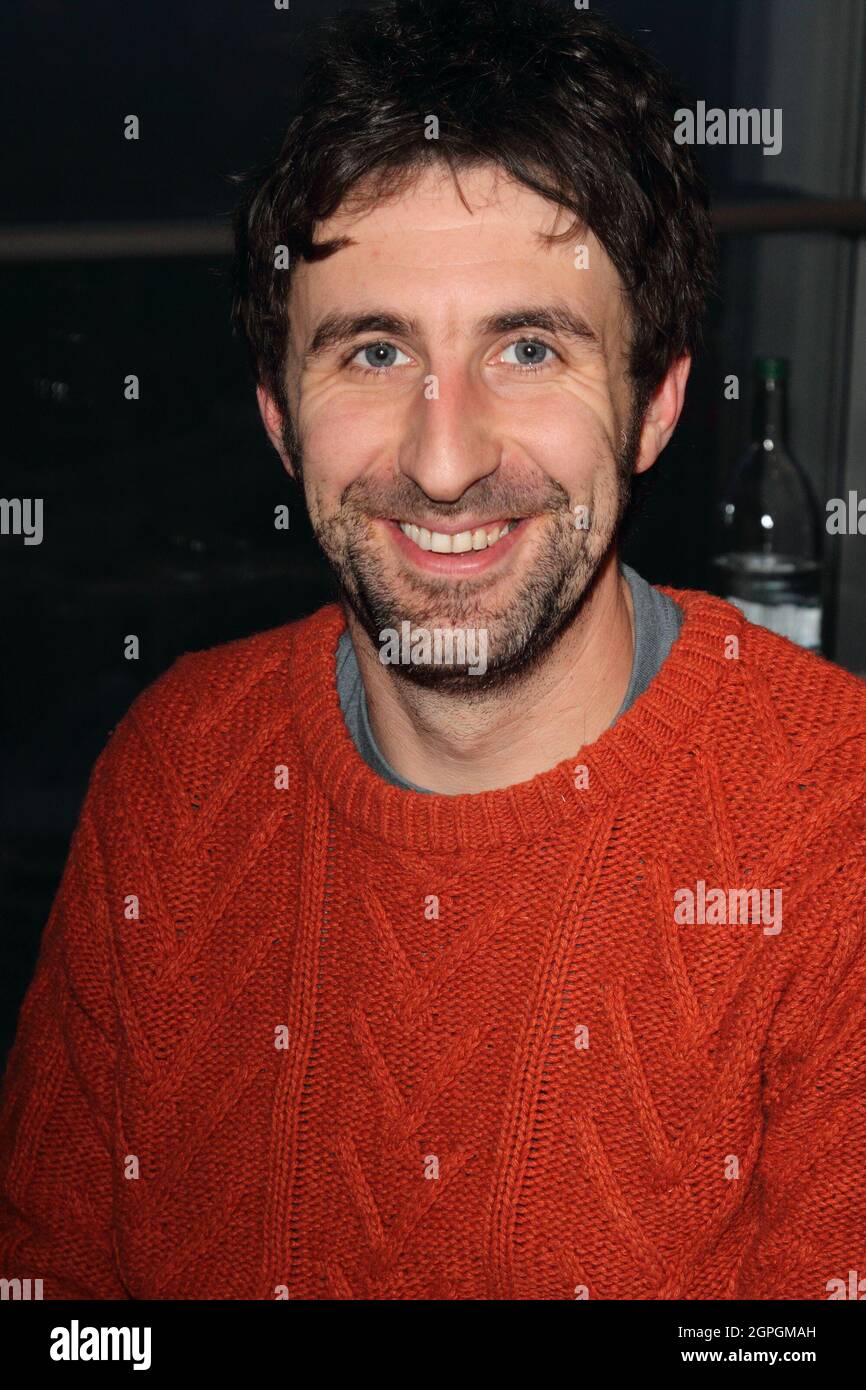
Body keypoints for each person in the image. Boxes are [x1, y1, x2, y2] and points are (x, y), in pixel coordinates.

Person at [2, 0, 865, 1301]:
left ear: (657, 403)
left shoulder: (832, 829)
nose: (443, 458)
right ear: (279, 418)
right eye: (372, 349)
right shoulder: (174, 774)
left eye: (527, 348)